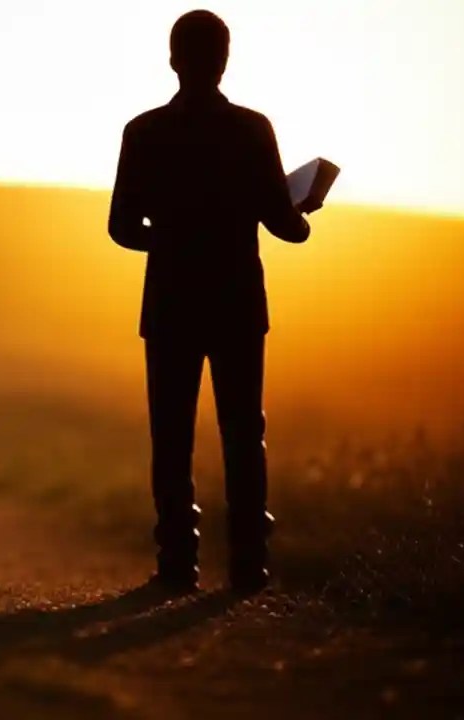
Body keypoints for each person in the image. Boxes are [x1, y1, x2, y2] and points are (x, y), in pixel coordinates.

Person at [107, 10, 318, 595]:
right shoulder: (253, 129)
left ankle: (177, 565)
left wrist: (170, 239)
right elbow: (285, 226)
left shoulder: (143, 131)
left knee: (171, 435)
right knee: (243, 432)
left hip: (171, 300)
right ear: (225, 60)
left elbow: (121, 227)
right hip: (237, 302)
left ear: (173, 59)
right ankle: (249, 565)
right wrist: (302, 214)